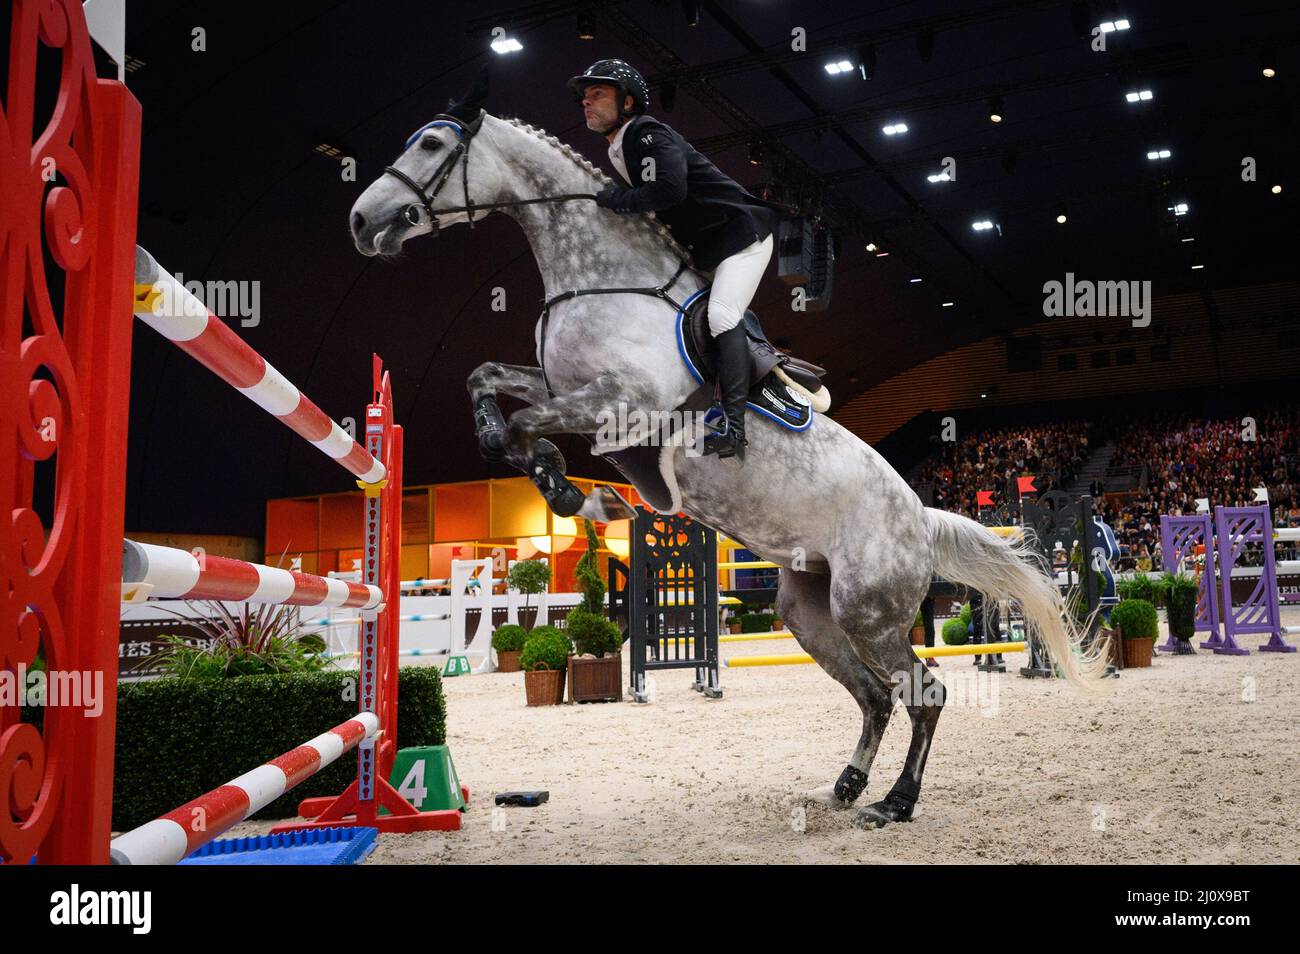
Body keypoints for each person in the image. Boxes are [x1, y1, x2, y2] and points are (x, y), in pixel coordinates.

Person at [569, 59, 778, 463]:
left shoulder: (645, 133)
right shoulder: (620, 147)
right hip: (709, 245)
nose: (587, 102)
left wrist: (617, 200)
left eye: (597, 94)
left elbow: (669, 190)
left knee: (721, 316)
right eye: (584, 96)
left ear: (628, 101)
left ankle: (734, 428)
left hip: (742, 236)